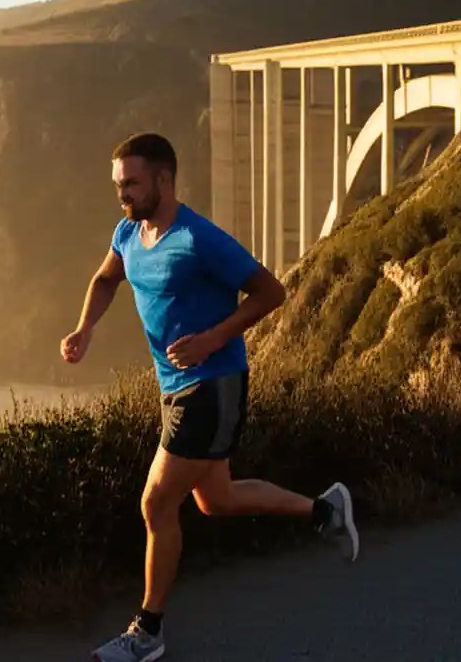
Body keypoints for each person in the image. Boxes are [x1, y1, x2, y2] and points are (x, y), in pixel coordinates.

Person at [61, 132, 359, 662]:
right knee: (212, 499)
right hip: (173, 389)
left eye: (131, 182)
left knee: (156, 503)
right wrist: (85, 329)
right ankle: (325, 511)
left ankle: (147, 632)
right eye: (117, 184)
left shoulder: (200, 239)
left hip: (213, 386)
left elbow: (272, 291)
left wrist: (213, 338)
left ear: (163, 179)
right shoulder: (128, 233)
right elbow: (107, 280)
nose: (122, 194)